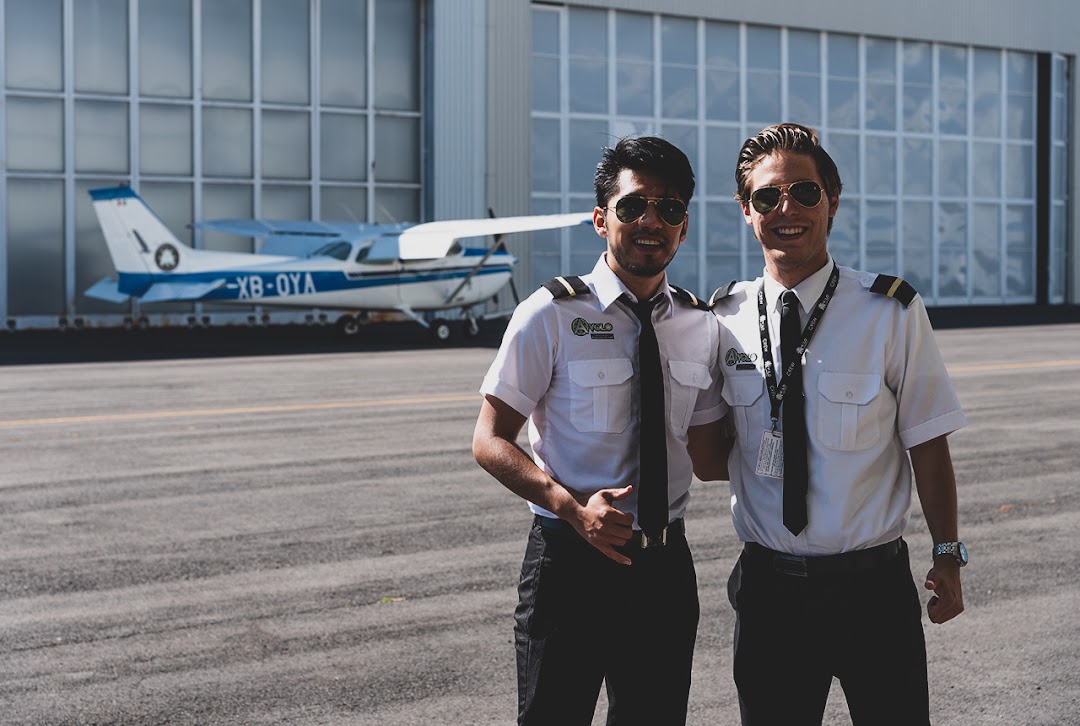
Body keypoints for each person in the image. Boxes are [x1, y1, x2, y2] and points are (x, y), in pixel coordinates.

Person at [709, 122, 968, 726]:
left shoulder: (891, 311)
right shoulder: (721, 320)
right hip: (769, 592)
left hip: (871, 591)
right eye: (768, 196)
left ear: (833, 202)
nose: (787, 209)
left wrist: (949, 554)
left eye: (804, 192)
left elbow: (928, 445)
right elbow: (702, 449)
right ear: (747, 210)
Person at [472, 135, 727, 726]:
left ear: (683, 229)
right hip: (569, 563)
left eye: (668, 209)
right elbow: (489, 439)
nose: (650, 221)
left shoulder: (700, 325)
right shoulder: (551, 314)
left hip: (664, 570)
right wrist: (570, 507)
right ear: (600, 218)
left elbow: (713, 456)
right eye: (633, 206)